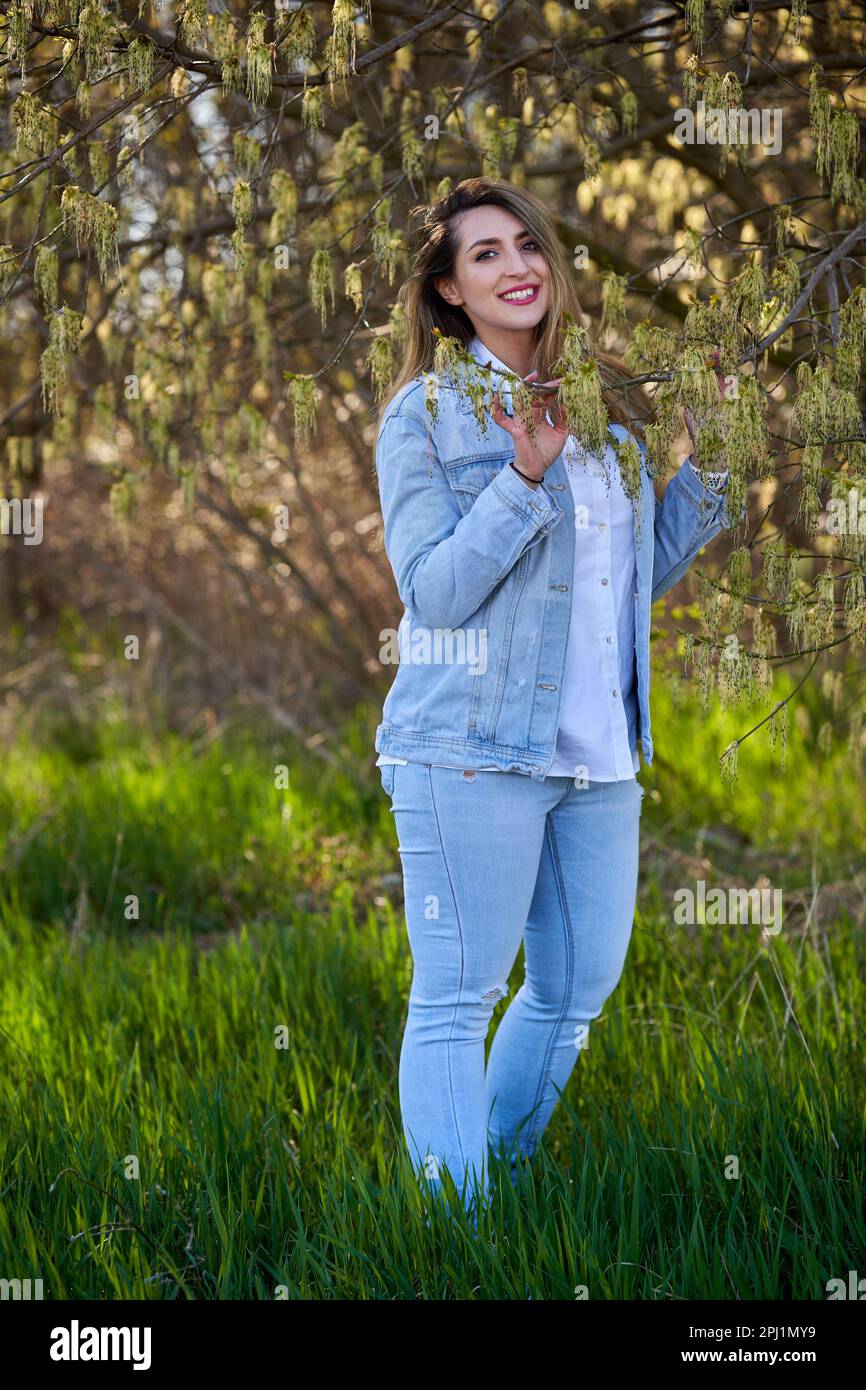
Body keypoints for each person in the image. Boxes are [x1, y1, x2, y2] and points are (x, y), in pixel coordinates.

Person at [372, 176, 739, 1225]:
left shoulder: (605, 415)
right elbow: (432, 592)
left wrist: (710, 453)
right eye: (482, 254)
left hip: (597, 754)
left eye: (523, 243)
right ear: (447, 291)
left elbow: (633, 581)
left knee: (573, 989)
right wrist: (520, 481)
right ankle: (455, 1235)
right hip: (469, 749)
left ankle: (495, 1179)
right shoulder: (429, 414)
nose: (514, 264)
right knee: (455, 996)